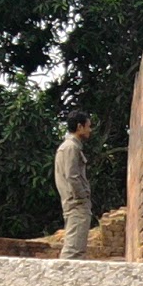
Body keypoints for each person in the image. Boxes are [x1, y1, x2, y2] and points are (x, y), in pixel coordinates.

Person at [54, 109, 93, 260]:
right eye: (88, 126)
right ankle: (61, 281)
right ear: (79, 127)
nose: (90, 130)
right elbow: (72, 176)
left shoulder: (68, 147)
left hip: (74, 202)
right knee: (73, 251)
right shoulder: (71, 147)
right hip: (76, 203)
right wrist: (82, 197)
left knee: (77, 249)